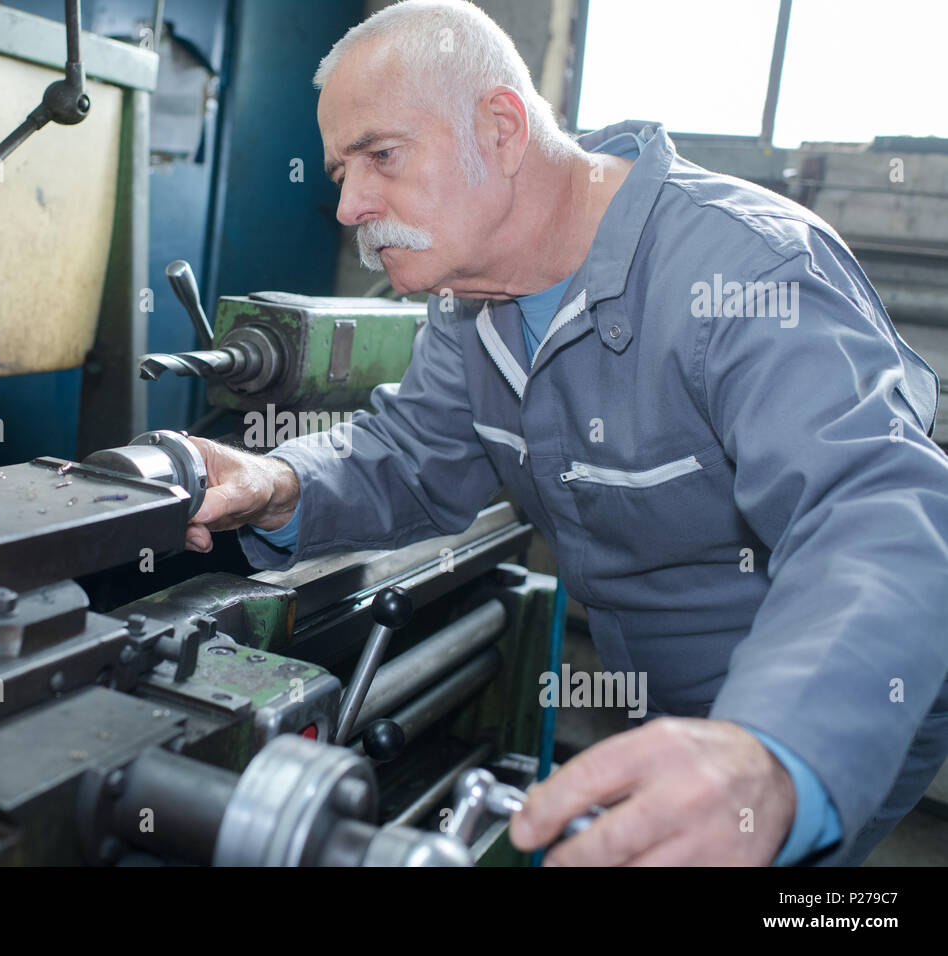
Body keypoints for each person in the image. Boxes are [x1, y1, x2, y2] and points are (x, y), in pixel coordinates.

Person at [182, 0, 948, 865]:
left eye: (382, 157)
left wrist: (772, 757)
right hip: (670, 712)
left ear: (502, 128)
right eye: (339, 173)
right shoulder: (473, 304)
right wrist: (273, 483)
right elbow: (410, 456)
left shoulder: (749, 270)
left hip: (817, 720)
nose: (352, 205)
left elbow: (877, 516)